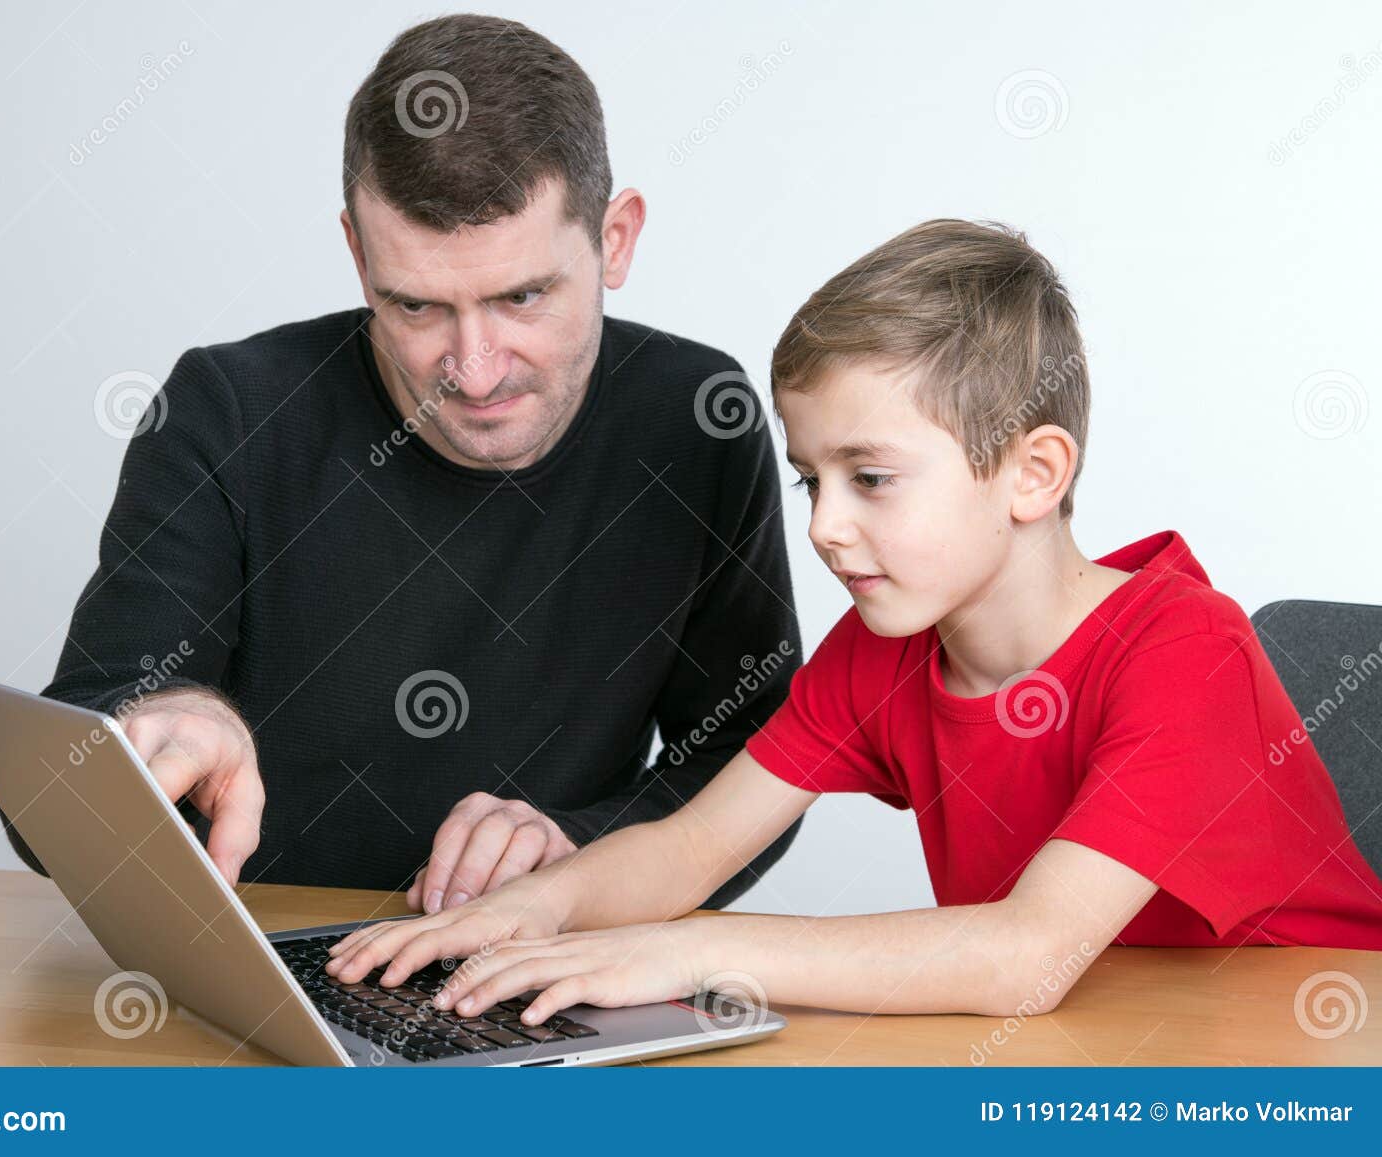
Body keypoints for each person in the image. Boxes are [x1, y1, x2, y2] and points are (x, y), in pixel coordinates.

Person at [323, 219, 1382, 1028]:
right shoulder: (883, 648)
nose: (826, 527)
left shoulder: (1182, 650)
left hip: (1307, 1062)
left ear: (1031, 472)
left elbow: (1025, 956)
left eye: (870, 477)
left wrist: (690, 954)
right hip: (1097, 1051)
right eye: (810, 478)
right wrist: (534, 910)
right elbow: (691, 844)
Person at [5, 14, 803, 911]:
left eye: (522, 296)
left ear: (615, 240)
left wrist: (585, 845)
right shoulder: (228, 409)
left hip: (534, 968)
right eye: (417, 306)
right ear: (356, 252)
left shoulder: (698, 417)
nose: (474, 368)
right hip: (260, 965)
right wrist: (164, 725)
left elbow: (756, 751)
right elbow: (46, 799)